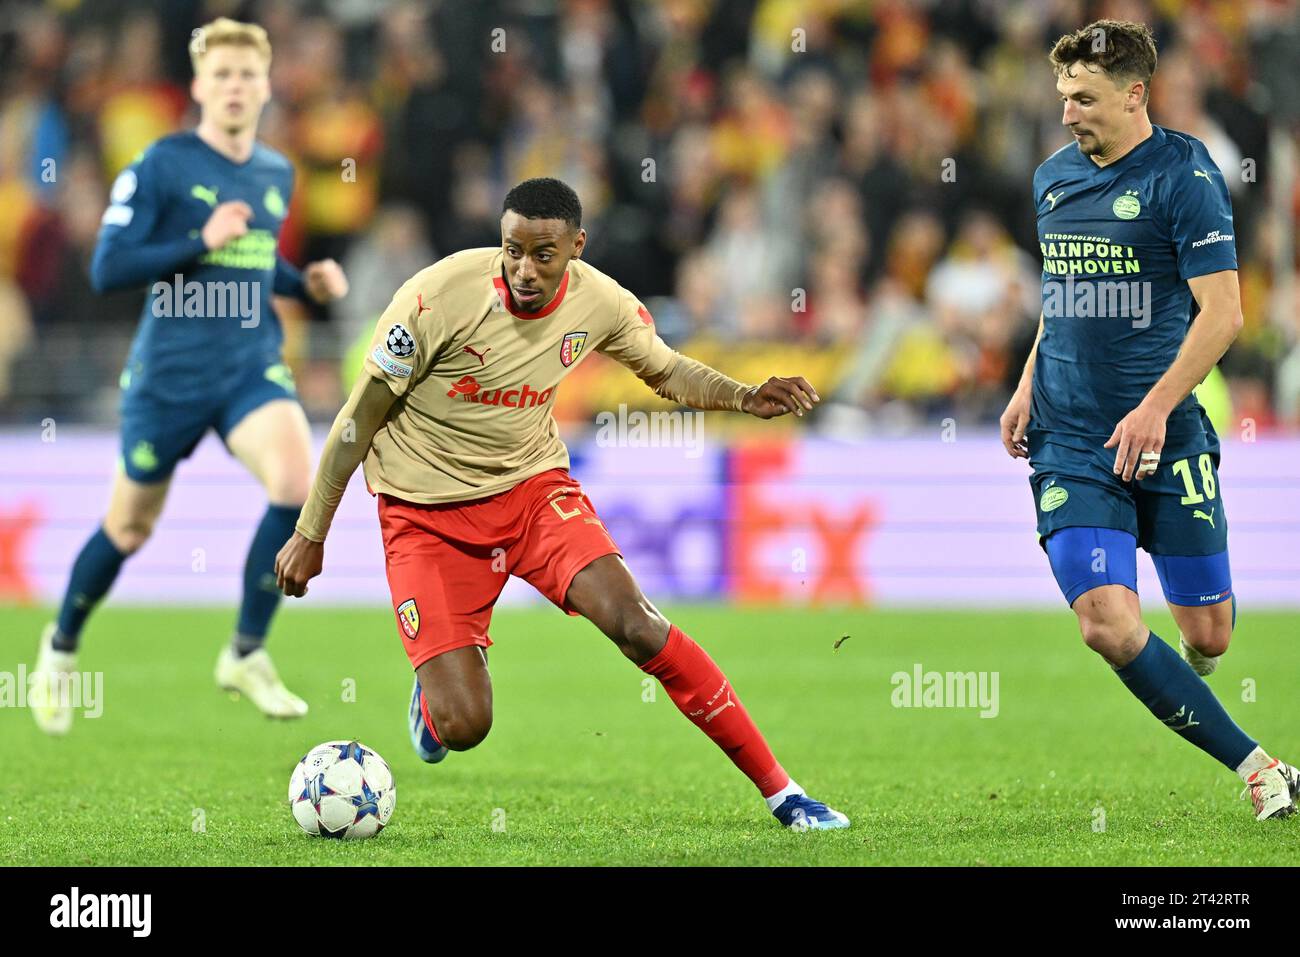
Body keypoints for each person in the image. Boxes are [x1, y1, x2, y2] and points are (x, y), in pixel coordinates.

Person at [275, 177, 849, 830]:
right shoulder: (435, 297)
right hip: (425, 514)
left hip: (533, 493)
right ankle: (436, 697)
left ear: (577, 246)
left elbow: (665, 370)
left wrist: (743, 396)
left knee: (637, 623)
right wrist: (311, 531)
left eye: (543, 254)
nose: (524, 269)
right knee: (465, 725)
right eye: (512, 250)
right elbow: (357, 419)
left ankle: (784, 794)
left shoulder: (600, 301)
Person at [999, 19, 1297, 820]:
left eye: (1084, 98)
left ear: (1135, 95)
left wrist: (1157, 407)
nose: (1067, 113)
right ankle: (1260, 767)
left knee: (1209, 636)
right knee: (1106, 623)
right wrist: (1027, 383)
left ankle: (1195, 654)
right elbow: (1061, 296)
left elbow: (1224, 313)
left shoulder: (1185, 175)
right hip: (1071, 438)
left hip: (1166, 433)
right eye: (1064, 96)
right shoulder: (1053, 179)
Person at [31, 18, 349, 733]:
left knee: (296, 485)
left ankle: (246, 651)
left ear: (265, 87)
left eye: (247, 75)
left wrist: (303, 283)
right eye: (222, 75)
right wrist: (196, 240)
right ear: (199, 87)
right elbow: (109, 266)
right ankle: (61, 645)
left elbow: (255, 260)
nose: (235, 87)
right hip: (169, 375)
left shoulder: (275, 172)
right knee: (128, 527)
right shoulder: (161, 164)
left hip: (248, 366)